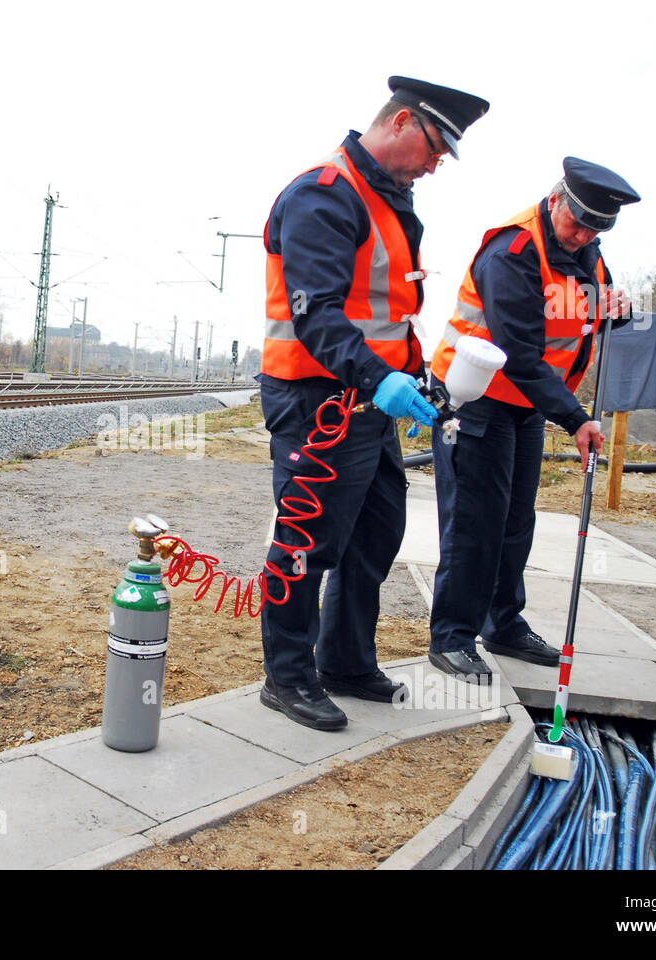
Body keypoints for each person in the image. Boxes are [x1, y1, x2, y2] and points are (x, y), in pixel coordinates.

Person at [258, 77, 489, 731]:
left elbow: (386, 314)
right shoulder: (324, 195)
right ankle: (288, 676)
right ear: (403, 123)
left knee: (376, 531)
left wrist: (415, 377)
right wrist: (379, 380)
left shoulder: (388, 201)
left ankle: (345, 661)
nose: (437, 163)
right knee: (310, 538)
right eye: (436, 147)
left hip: (367, 398)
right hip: (315, 396)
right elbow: (317, 316)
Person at [427, 158, 640, 682]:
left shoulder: (587, 254)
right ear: (555, 201)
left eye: (597, 229)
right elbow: (518, 350)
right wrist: (575, 418)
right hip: (473, 397)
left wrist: (618, 310)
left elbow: (586, 313)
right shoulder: (513, 252)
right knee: (475, 522)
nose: (585, 235)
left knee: (516, 520)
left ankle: (504, 624)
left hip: (526, 405)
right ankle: (452, 637)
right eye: (579, 222)